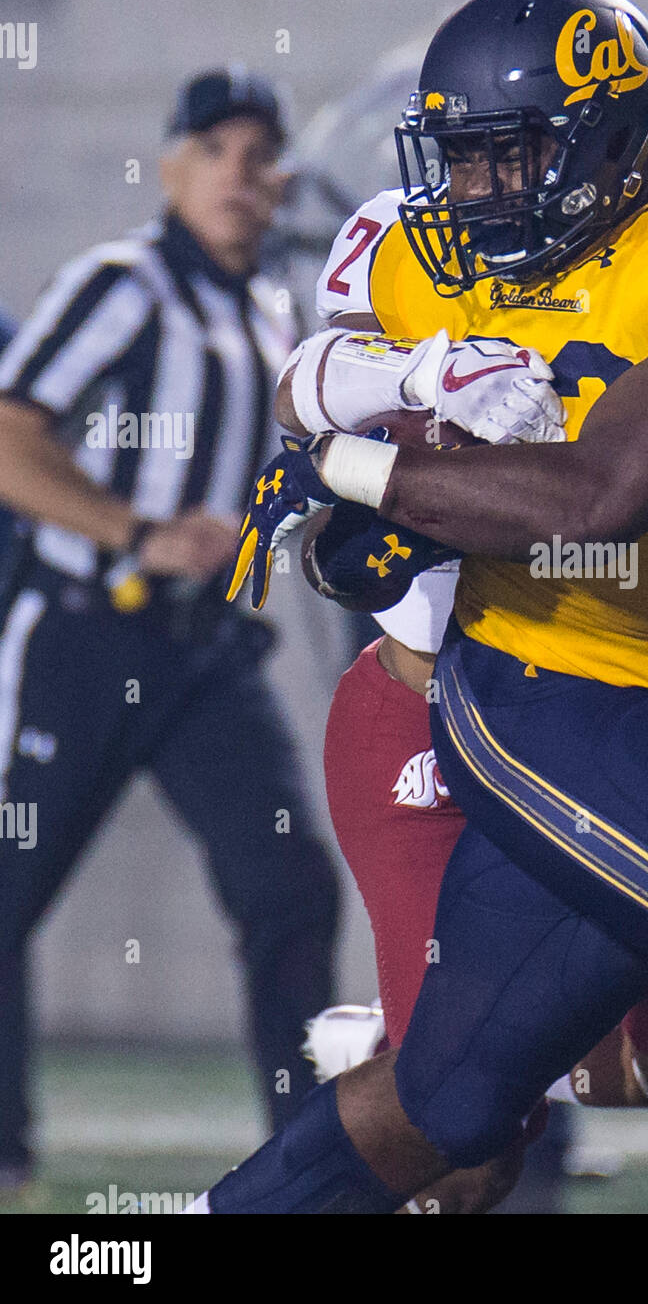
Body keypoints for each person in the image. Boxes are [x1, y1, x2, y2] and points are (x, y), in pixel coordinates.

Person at [200, 0, 648, 1216]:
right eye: (461, 161)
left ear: (614, 146)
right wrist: (380, 446)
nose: (476, 192)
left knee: (456, 1107)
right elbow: (314, 381)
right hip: (541, 698)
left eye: (513, 154)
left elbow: (602, 496)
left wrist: (373, 474)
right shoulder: (438, 258)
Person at [298, 29, 648, 1214]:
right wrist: (423, 382)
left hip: (615, 730)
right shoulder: (431, 250)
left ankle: (504, 1026)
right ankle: (456, 1046)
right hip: (432, 722)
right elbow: (310, 374)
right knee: (464, 1140)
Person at [0, 68, 339, 1194]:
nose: (242, 175)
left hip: (205, 655)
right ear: (175, 164)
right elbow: (8, 432)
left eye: (260, 154)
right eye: (219, 151)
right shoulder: (124, 284)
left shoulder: (272, 306)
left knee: (290, 885)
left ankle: (305, 1165)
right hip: (88, 635)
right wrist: (131, 527)